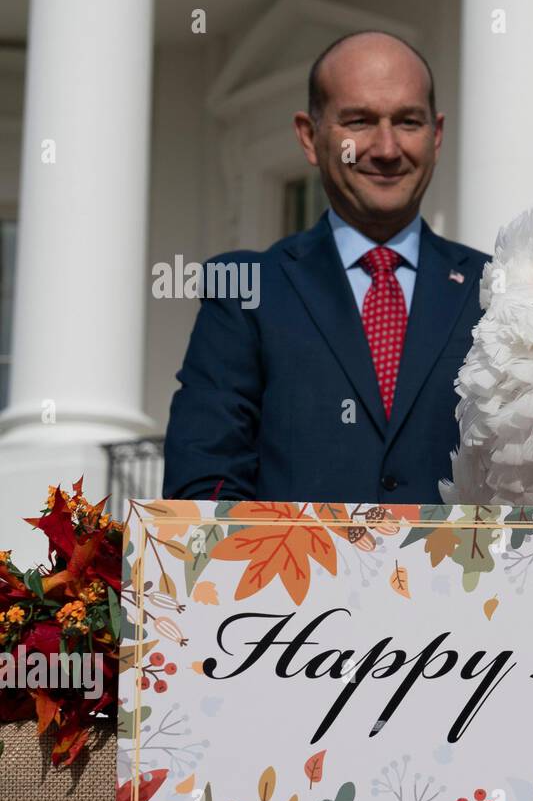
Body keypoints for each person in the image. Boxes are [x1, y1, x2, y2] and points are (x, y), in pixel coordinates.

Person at [163, 31, 488, 502]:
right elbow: (204, 485)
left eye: (408, 122)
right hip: (283, 575)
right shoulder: (243, 290)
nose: (386, 148)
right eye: (358, 121)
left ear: (436, 136)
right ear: (309, 137)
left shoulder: (497, 289)